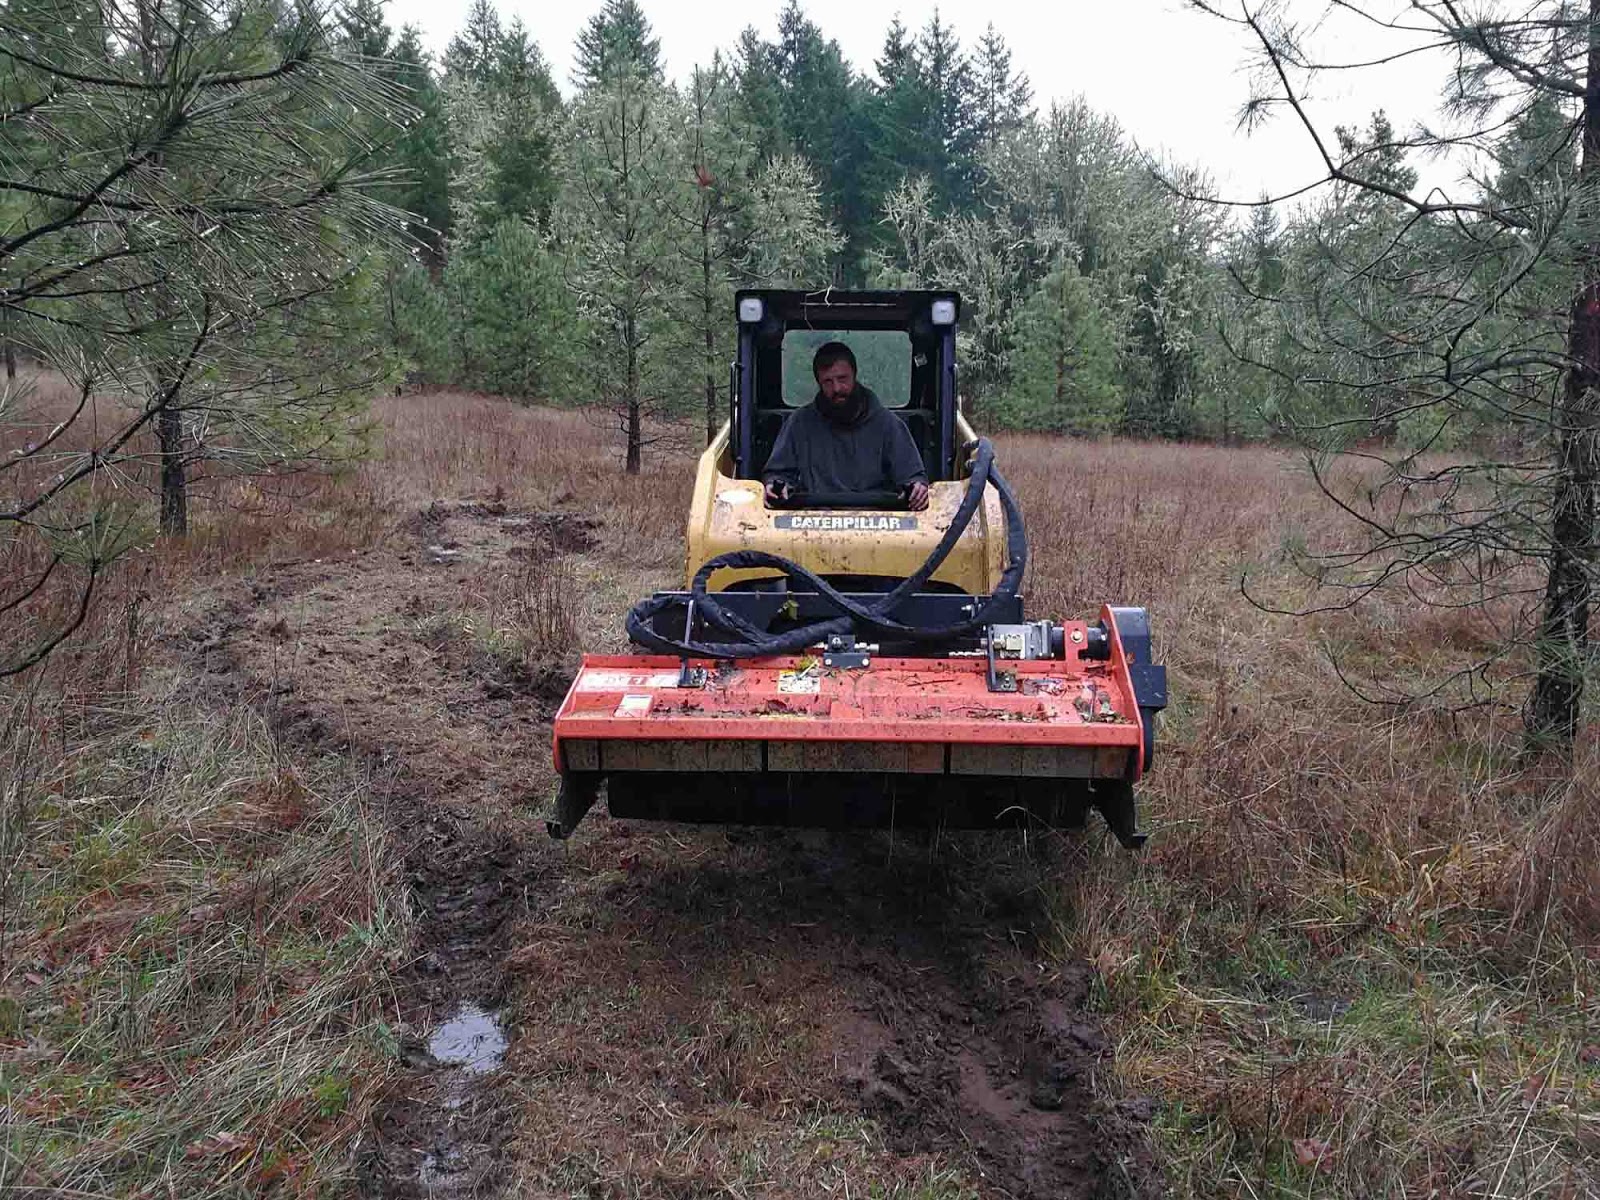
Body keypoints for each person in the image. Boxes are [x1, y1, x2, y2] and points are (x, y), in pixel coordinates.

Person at [762, 342, 930, 511]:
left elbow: (911, 477)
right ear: (818, 383)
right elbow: (778, 474)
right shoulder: (799, 424)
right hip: (813, 522)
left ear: (854, 375)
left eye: (842, 379)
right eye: (827, 382)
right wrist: (775, 485)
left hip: (877, 525)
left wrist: (917, 488)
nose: (836, 388)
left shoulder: (888, 424)